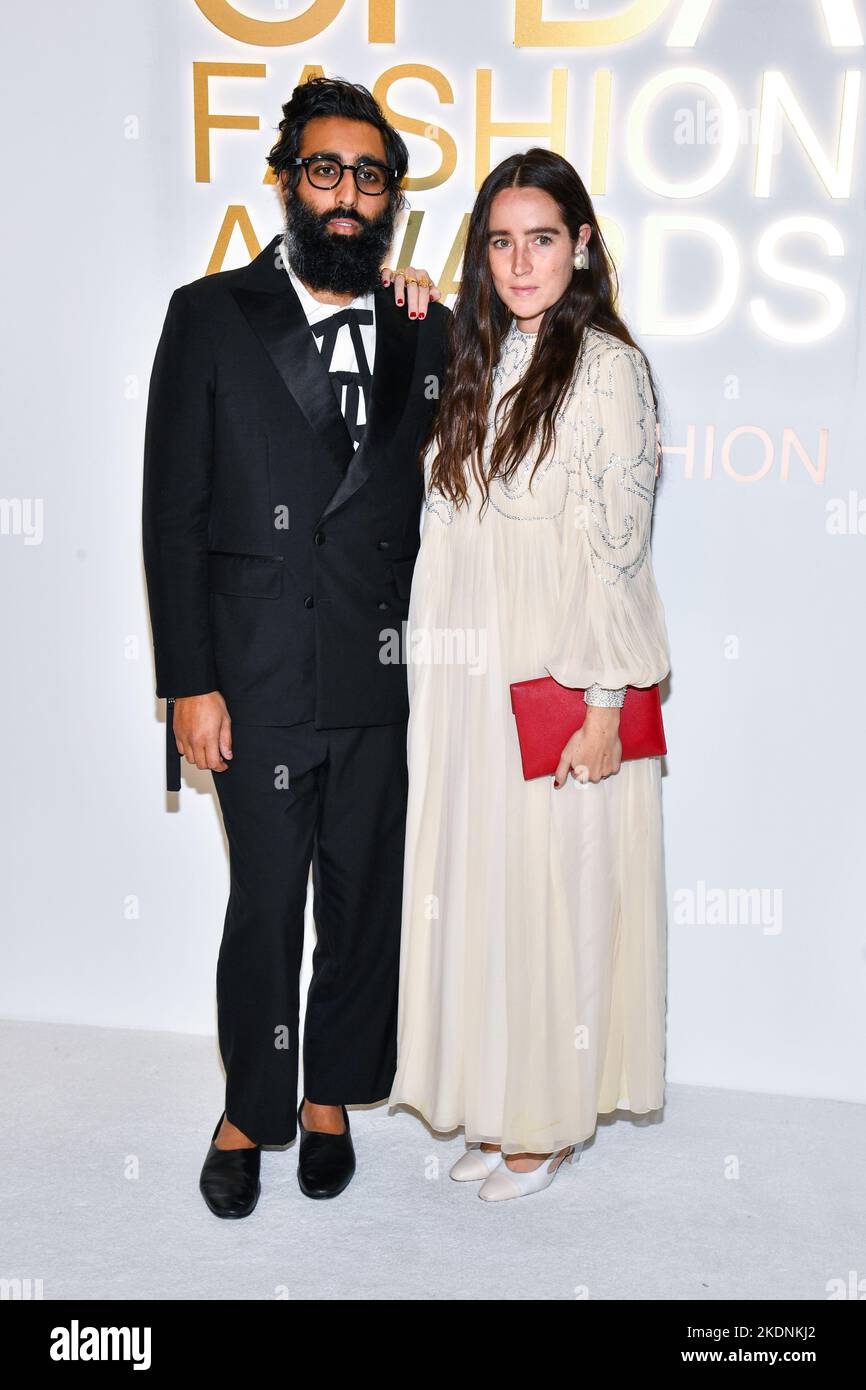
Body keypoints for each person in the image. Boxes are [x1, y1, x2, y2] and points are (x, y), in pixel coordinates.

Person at [142, 76, 449, 1216]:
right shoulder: (209, 314)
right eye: (325, 170)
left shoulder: (427, 329)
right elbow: (171, 513)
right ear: (284, 182)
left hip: (372, 673)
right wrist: (188, 682)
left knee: (363, 896)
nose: (347, 196)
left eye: (369, 177)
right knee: (266, 901)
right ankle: (248, 1110)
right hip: (257, 678)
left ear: (390, 203)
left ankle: (330, 1098)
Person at [388, 147, 672, 1202]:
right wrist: (407, 295)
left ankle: (544, 1123)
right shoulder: (483, 355)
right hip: (469, 687)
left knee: (555, 899)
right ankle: (501, 1098)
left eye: (541, 238)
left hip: (552, 679)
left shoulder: (605, 367)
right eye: (499, 241)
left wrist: (603, 707)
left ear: (581, 246)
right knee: (486, 894)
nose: (519, 260)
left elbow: (618, 550)